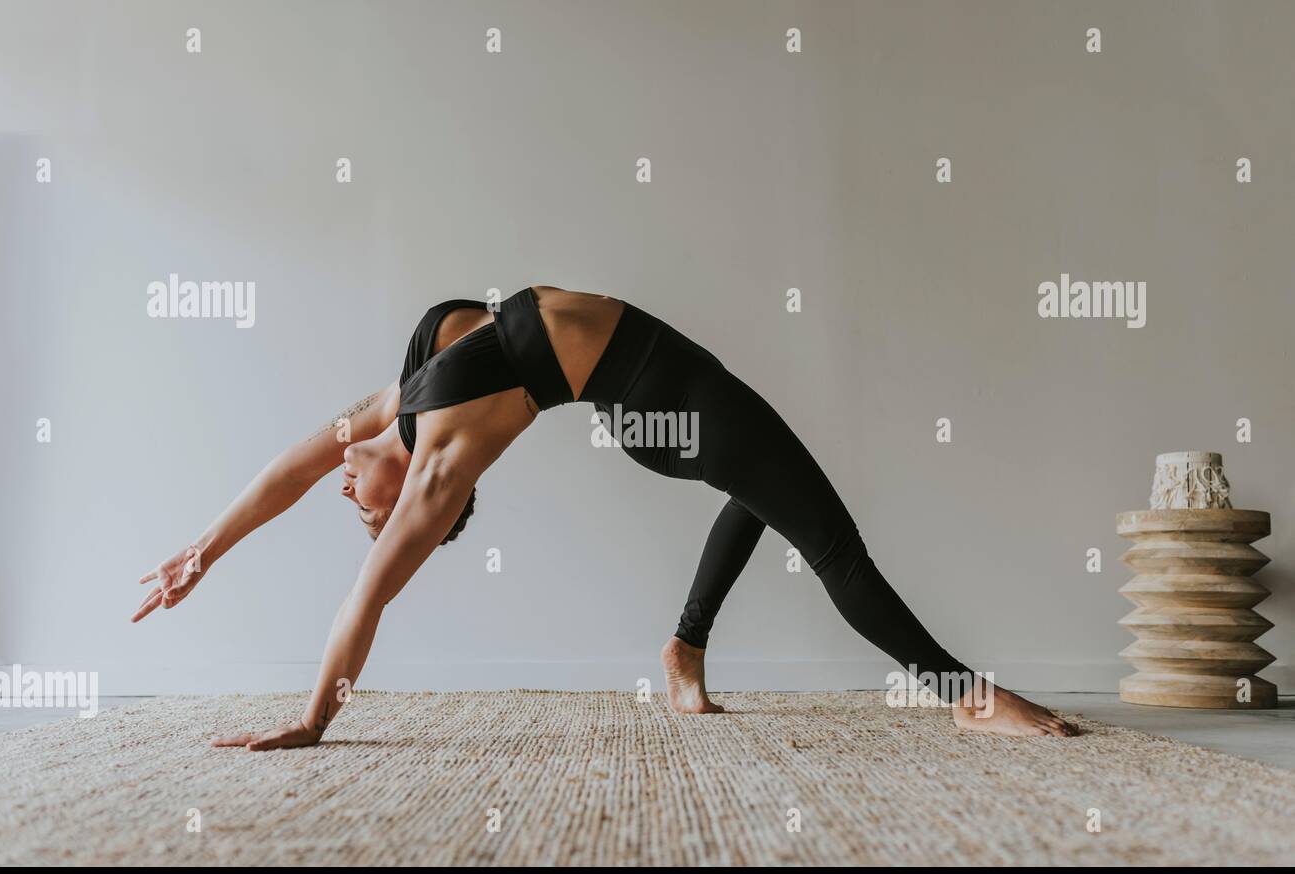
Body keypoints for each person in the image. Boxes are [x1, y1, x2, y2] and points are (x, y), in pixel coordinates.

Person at [133, 285, 1077, 749]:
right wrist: (313, 720)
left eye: (359, 510)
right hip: (664, 386)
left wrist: (203, 550)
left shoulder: (401, 405)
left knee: (766, 496)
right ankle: (970, 699)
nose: (351, 500)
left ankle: (686, 650)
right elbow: (364, 604)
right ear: (416, 510)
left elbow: (294, 464)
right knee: (832, 545)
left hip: (651, 393)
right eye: (367, 519)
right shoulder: (438, 470)